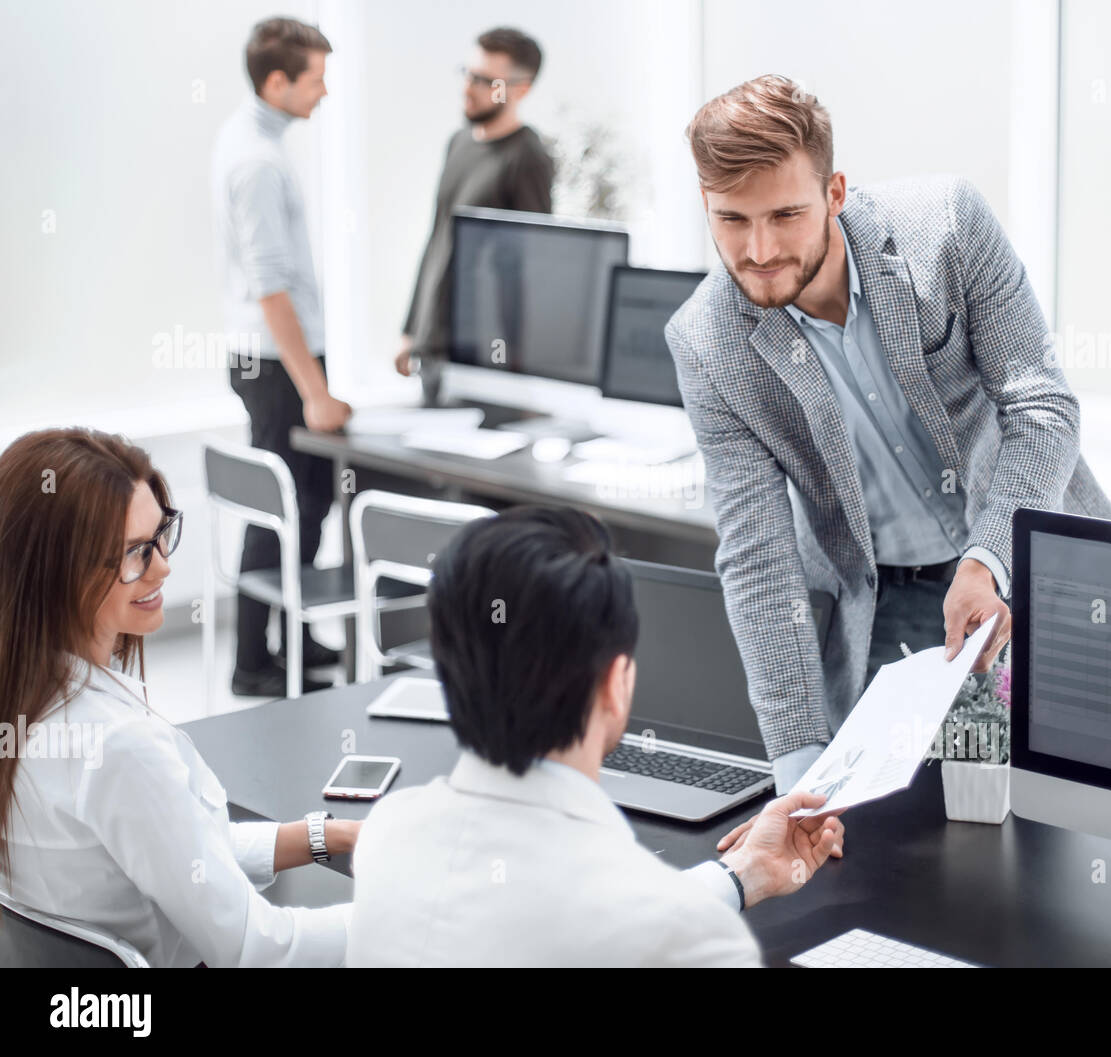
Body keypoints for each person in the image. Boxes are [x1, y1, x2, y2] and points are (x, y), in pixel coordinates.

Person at [666, 75, 1111, 795]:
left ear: (836, 193)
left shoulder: (945, 226)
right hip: (888, 602)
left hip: (1031, 549)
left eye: (786, 214)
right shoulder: (706, 342)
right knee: (915, 842)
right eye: (732, 220)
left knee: (1084, 793)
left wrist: (989, 558)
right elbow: (758, 559)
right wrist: (796, 767)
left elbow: (1042, 408)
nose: (759, 249)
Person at [347, 505, 845, 967]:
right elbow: (633, 920)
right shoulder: (700, 944)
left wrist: (743, 875)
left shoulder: (389, 836)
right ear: (617, 683)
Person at [0, 428, 357, 967]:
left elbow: (178, 854)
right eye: (135, 553)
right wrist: (406, 909)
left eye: (162, 534)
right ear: (58, 572)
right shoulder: (117, 747)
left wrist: (319, 837)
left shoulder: (25, 697)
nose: (164, 566)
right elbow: (257, 950)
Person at [212, 17, 351, 697]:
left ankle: (293, 635)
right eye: (315, 79)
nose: (324, 93)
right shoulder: (258, 161)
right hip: (274, 363)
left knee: (309, 497)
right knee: (286, 503)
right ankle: (252, 662)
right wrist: (315, 391)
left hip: (268, 359)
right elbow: (271, 288)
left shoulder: (254, 140)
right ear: (278, 81)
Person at [396, 26, 555, 399]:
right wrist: (410, 329)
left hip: (486, 353)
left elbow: (530, 267)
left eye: (485, 80)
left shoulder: (528, 157)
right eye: (467, 74)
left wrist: (520, 365)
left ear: (522, 89)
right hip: (435, 341)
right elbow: (437, 238)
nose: (468, 87)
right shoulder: (458, 143)